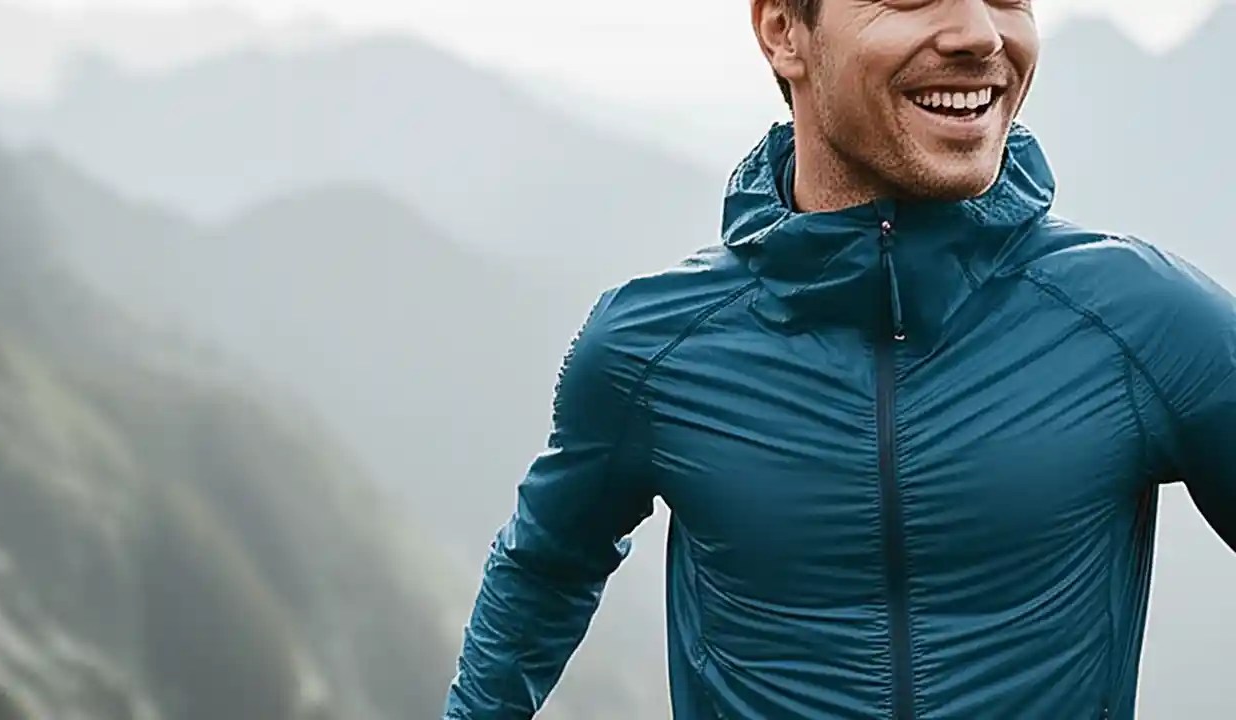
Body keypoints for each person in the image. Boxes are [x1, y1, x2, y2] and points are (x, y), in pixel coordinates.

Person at [443, 0, 1236, 718]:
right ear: (783, 31)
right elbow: (545, 570)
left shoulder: (1144, 322)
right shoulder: (649, 348)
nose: (979, 33)